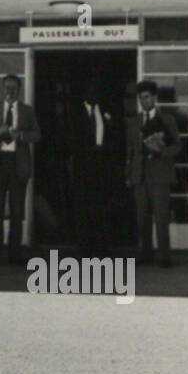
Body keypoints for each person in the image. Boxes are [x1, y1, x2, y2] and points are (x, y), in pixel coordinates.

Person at [0, 74, 40, 267]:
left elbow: (37, 134)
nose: (9, 91)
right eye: (7, 88)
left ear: (19, 90)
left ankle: (15, 254)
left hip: (18, 164)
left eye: (13, 88)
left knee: (16, 210)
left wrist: (19, 134)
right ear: (2, 89)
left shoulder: (27, 111)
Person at [125, 80, 180, 268]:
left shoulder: (168, 120)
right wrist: (129, 175)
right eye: (140, 98)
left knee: (161, 216)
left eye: (147, 97)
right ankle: (145, 252)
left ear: (155, 98)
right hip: (140, 174)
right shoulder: (134, 122)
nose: (143, 101)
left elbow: (177, 147)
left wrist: (160, 152)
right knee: (142, 216)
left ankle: (164, 256)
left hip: (160, 174)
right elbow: (130, 151)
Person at [68, 82, 113, 256]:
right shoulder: (75, 113)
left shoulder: (104, 110)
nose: (94, 95)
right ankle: (85, 250)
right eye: (91, 91)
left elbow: (113, 135)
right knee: (83, 208)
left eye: (97, 92)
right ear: (84, 94)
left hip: (102, 166)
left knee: (102, 207)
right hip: (83, 167)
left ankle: (102, 248)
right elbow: (71, 139)